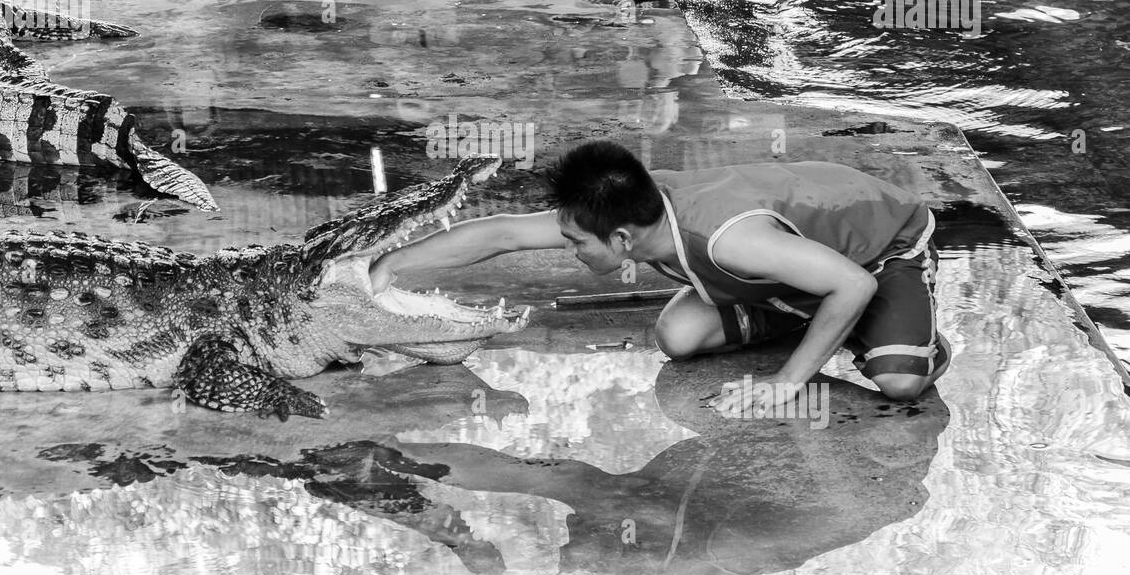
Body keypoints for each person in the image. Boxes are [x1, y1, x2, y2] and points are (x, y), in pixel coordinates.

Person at [369, 140, 951, 415]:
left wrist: (787, 382)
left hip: (881, 250)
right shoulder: (626, 209)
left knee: (899, 382)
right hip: (800, 260)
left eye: (576, 242)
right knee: (678, 336)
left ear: (622, 240)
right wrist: (387, 265)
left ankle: (909, 339)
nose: (568, 247)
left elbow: (854, 283)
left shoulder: (729, 240)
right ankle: (818, 313)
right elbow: (504, 234)